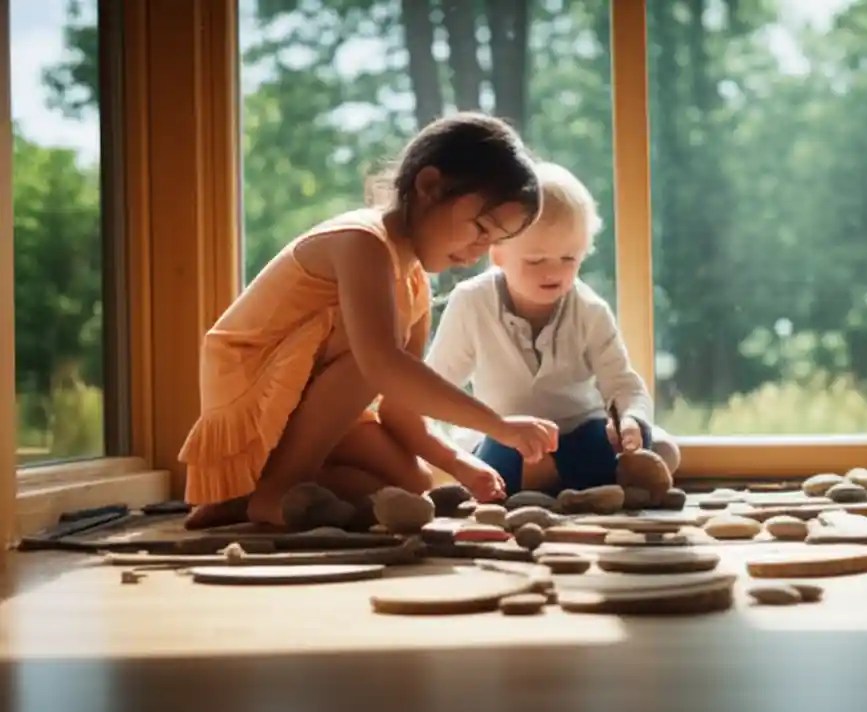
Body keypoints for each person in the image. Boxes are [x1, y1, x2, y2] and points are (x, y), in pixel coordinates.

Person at [179, 112, 559, 530]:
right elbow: (380, 366)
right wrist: (498, 425)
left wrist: (460, 463)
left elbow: (400, 407)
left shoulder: (414, 283)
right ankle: (280, 487)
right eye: (480, 227)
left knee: (414, 482)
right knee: (375, 357)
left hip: (313, 408)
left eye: (495, 241)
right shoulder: (362, 242)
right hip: (256, 396)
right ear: (429, 186)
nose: (479, 250)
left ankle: (249, 494)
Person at [426, 160, 680, 495]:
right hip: (507, 438)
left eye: (569, 259)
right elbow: (435, 385)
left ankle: (564, 479)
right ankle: (571, 482)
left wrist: (631, 421)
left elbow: (623, 385)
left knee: (661, 448)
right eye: (535, 260)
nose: (553, 272)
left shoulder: (590, 310)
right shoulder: (471, 302)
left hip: (578, 432)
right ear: (497, 253)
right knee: (499, 461)